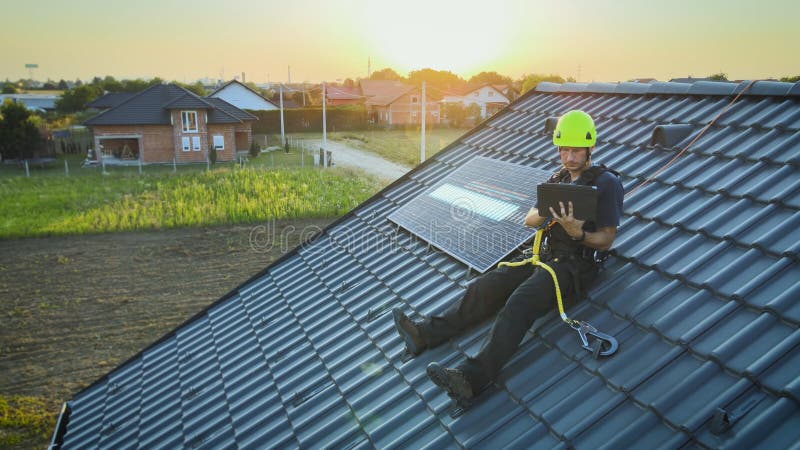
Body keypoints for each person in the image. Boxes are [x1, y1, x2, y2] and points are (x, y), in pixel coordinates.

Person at [392, 110, 624, 405]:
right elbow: (530, 220)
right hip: (546, 255)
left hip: (576, 265)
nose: (568, 157)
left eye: (575, 150)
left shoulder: (607, 184)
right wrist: (547, 211)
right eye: (563, 149)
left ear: (590, 147)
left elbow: (606, 239)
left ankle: (471, 379)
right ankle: (423, 334)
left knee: (521, 301)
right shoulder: (558, 178)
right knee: (485, 286)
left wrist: (577, 232)